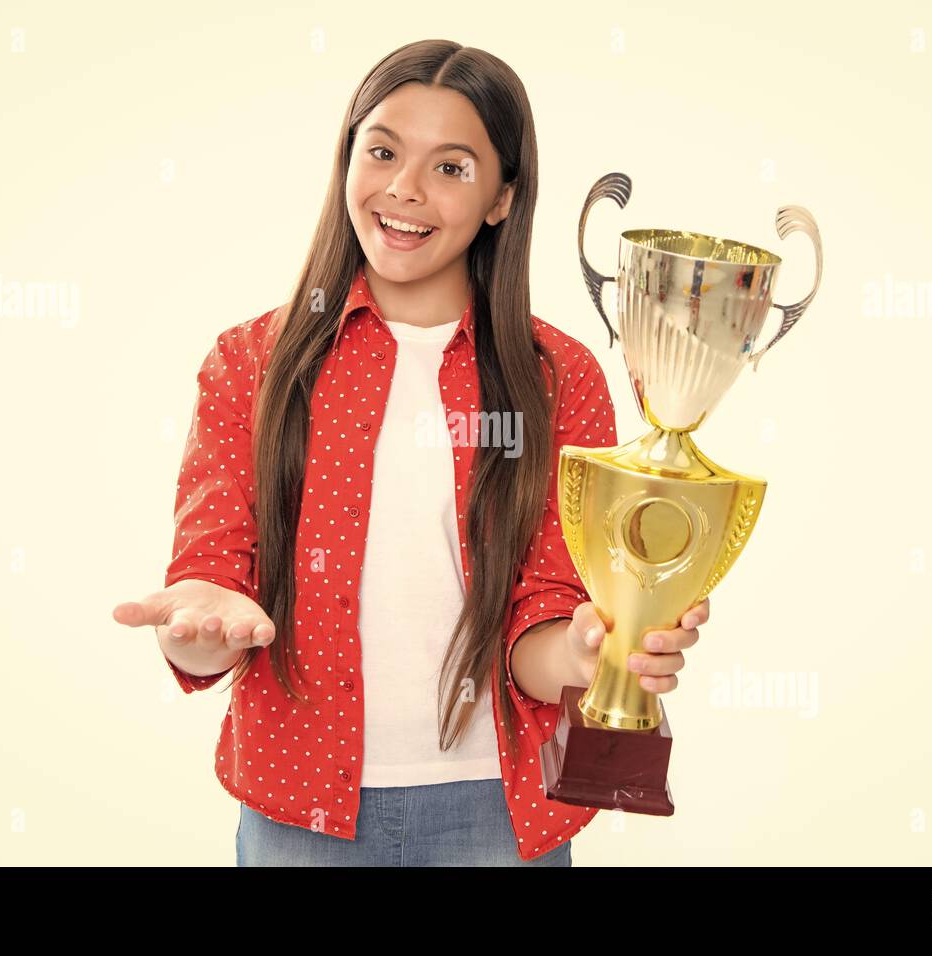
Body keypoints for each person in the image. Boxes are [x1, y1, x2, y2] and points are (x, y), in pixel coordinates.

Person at [112, 38, 710, 867]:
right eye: (384, 151)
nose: (404, 189)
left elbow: (543, 613)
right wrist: (197, 625)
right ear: (348, 157)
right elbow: (210, 584)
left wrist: (585, 650)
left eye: (452, 167)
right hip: (299, 816)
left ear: (503, 197)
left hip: (498, 812)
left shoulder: (557, 377)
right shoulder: (250, 362)